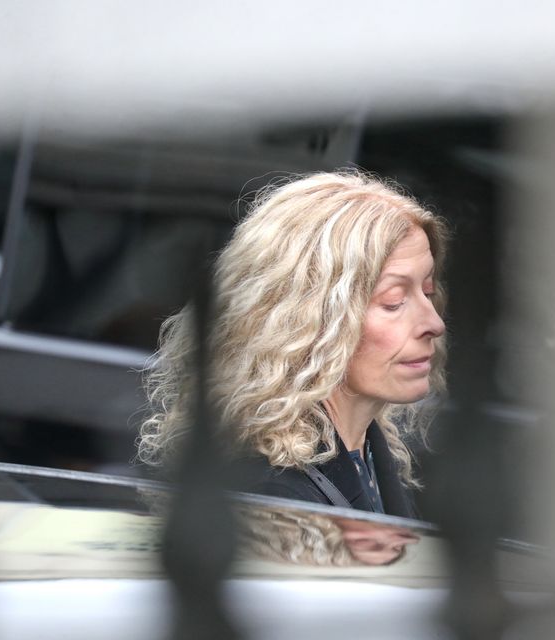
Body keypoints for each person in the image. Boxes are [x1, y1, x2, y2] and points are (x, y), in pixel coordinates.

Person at [137, 171, 448, 518]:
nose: (434, 323)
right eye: (393, 301)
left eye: (428, 291)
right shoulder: (273, 495)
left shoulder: (370, 453)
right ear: (309, 319)